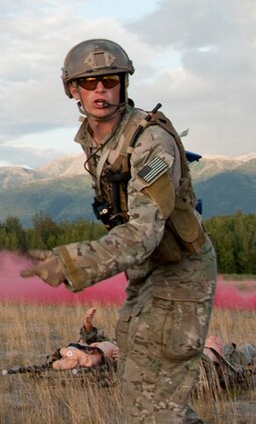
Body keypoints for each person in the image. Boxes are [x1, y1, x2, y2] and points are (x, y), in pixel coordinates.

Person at [20, 39, 217, 423]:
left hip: (181, 273)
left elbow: (145, 232)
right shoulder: (95, 141)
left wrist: (71, 263)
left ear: (123, 84)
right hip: (146, 271)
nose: (100, 90)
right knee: (142, 390)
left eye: (109, 80)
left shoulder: (150, 140)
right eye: (88, 83)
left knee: (155, 404)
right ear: (72, 90)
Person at [50, 307, 120, 370]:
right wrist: (87, 325)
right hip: (96, 346)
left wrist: (125, 353)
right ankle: (73, 356)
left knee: (101, 350)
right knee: (85, 346)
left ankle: (70, 355)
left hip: (111, 348)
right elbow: (91, 338)